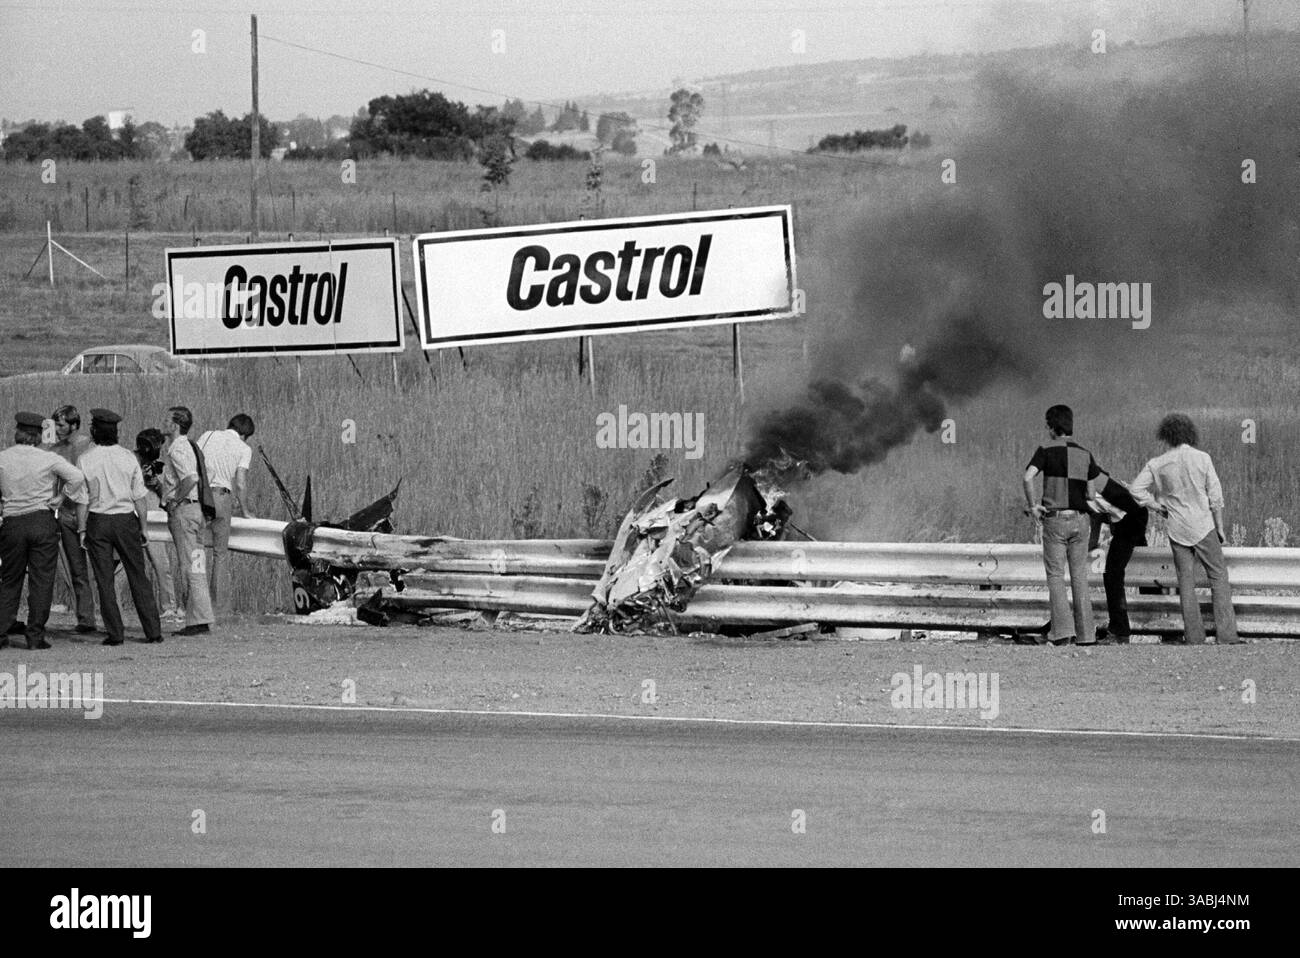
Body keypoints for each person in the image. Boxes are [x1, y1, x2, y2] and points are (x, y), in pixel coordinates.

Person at [1130, 413, 1241, 645]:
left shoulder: (1157, 463)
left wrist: (1157, 506)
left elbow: (1135, 489)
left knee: (1186, 583)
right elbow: (1215, 496)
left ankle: (1194, 637)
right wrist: (1219, 527)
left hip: (1177, 528)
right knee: (1218, 577)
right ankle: (1227, 636)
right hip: (1203, 524)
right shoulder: (1202, 458)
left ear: (1166, 436)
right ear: (1189, 433)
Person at [0, 412, 87, 650]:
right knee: (42, 580)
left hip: (12, 522)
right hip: (41, 519)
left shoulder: (3, 458)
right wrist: (61, 497)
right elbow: (77, 477)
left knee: (10, 579)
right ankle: (35, 635)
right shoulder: (47, 458)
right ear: (38, 435)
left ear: (16, 433)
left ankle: (1, 629)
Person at [76, 409, 162, 646]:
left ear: (94, 431)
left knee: (104, 579)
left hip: (98, 520)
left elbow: (82, 501)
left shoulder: (85, 459)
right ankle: (153, 631)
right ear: (116, 432)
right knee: (138, 575)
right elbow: (140, 498)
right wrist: (143, 527)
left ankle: (115, 633)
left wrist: (82, 530)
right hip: (126, 520)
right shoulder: (128, 458)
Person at [1023, 404, 1101, 646]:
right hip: (1081, 520)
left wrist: (1034, 505)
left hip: (1055, 520)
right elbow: (1091, 492)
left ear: (1052, 427)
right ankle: (1087, 635)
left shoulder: (1045, 450)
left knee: (1056, 576)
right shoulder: (1085, 453)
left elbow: (1027, 477)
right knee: (1079, 576)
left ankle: (1062, 633)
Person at [43, 404, 97, 633]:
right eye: (56, 425)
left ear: (74, 425)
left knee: (93, 568)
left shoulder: (86, 445)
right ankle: (86, 619)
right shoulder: (55, 448)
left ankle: (100, 616)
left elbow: (82, 479)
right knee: (76, 568)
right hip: (66, 513)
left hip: (87, 511)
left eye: (62, 425)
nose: (58, 429)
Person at [161, 406, 213, 636]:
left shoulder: (177, 448)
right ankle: (201, 616)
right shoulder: (189, 445)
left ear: (174, 425)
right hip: (197, 512)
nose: (164, 423)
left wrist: (174, 500)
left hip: (184, 510)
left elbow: (191, 478)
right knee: (198, 564)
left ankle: (197, 621)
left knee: (189, 565)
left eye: (167, 420)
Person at [196, 413, 254, 619]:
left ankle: (196, 603)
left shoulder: (208, 435)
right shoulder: (244, 448)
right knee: (220, 554)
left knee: (196, 549)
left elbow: (195, 463)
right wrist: (245, 511)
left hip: (200, 495)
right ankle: (217, 607)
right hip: (222, 496)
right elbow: (240, 482)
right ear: (245, 435)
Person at [1086, 469, 1149, 643]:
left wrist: (1089, 546)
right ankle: (1158, 615)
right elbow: (1099, 519)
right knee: (1147, 568)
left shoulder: (1088, 492)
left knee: (1112, 573)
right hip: (1137, 514)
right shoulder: (1103, 482)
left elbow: (1096, 519)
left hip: (1130, 520)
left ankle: (1119, 630)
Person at [133, 427, 179, 622]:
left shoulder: (159, 467)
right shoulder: (129, 461)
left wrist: (154, 483)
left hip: (152, 519)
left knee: (161, 564)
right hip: (129, 515)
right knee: (121, 567)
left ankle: (169, 606)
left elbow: (166, 497)